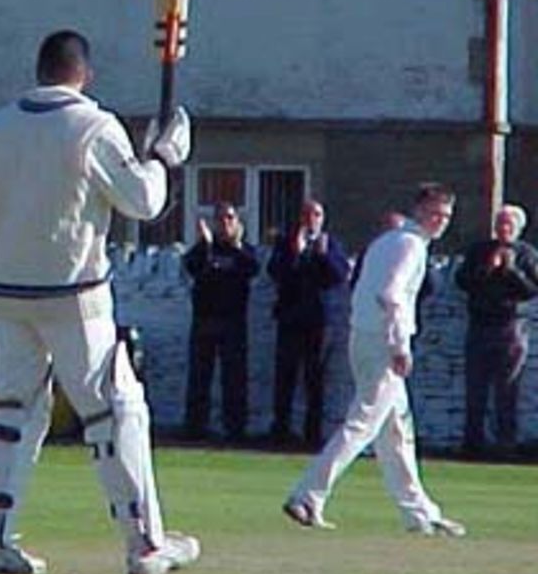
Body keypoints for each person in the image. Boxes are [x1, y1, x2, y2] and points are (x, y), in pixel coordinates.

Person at [0, 28, 200, 574]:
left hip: (8, 291)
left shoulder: (1, 125)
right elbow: (144, 201)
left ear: (40, 70)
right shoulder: (93, 125)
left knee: (13, 409)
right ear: (85, 74)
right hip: (75, 295)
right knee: (115, 408)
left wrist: (10, 228)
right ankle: (145, 543)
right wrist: (163, 156)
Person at [284, 183, 466, 537]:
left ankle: (420, 513)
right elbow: (390, 295)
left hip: (364, 336)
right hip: (381, 342)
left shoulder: (388, 241)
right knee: (363, 423)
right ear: (418, 210)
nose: (439, 221)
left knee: (396, 430)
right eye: (434, 213)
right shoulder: (410, 245)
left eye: (445, 215)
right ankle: (307, 494)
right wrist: (400, 345)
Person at [454, 204, 538, 458]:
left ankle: (506, 443)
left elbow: (532, 289)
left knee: (507, 389)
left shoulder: (526, 254)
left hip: (511, 327)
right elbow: (462, 281)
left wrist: (510, 271)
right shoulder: (479, 251)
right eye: (499, 224)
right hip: (480, 324)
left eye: (508, 225)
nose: (503, 229)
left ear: (518, 229)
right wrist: (487, 269)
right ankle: (472, 443)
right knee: (475, 388)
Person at [266, 199, 351, 448]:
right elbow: (276, 272)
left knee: (315, 379)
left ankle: (311, 433)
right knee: (285, 377)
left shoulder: (329, 243)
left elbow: (338, 275)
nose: (311, 219)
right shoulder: (287, 243)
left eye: (316, 214)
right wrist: (296, 250)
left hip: (318, 322)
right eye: (307, 214)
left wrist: (323, 256)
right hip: (290, 319)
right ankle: (280, 429)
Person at [182, 202, 259, 442]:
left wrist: (236, 245)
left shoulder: (243, 250)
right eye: (221, 219)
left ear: (237, 222)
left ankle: (235, 428)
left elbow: (253, 268)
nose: (225, 223)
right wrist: (204, 245)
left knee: (234, 378)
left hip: (232, 323)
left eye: (230, 218)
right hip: (205, 320)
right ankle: (195, 427)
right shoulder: (206, 248)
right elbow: (190, 266)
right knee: (199, 377)